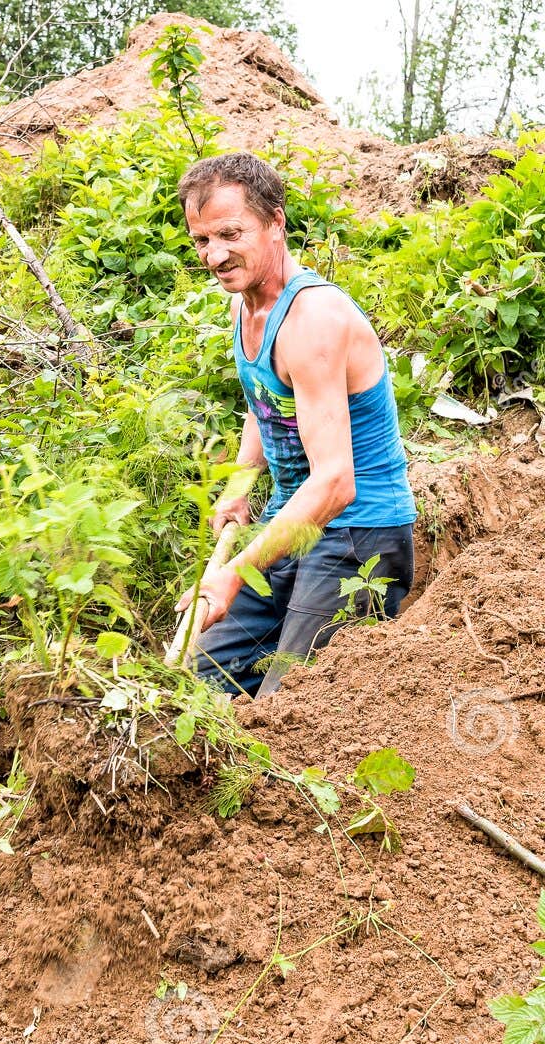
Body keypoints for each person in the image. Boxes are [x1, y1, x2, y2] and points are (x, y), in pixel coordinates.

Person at [175, 152, 417, 698]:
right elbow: (266, 404)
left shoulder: (312, 320)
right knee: (202, 684)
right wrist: (239, 487)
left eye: (229, 234)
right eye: (201, 241)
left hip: (359, 533)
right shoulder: (246, 304)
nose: (214, 256)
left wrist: (234, 572)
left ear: (276, 222)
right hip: (295, 522)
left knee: (290, 709)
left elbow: (335, 482)